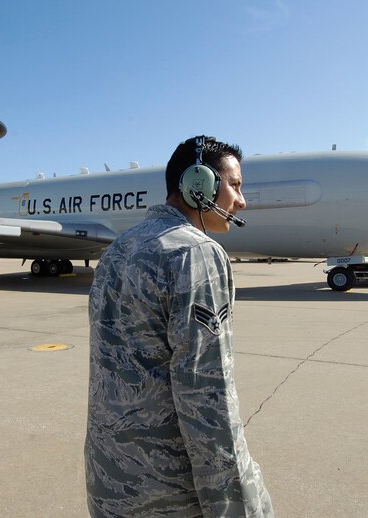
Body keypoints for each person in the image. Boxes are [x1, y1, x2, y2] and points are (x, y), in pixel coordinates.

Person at [85, 136, 273, 517]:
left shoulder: (118, 250)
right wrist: (245, 508)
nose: (241, 201)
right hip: (169, 495)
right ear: (199, 184)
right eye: (235, 185)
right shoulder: (195, 253)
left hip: (109, 483)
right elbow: (208, 402)